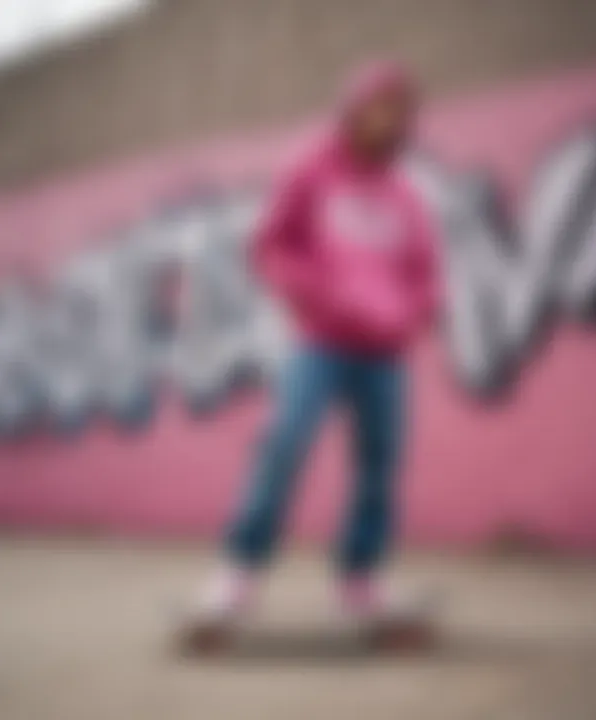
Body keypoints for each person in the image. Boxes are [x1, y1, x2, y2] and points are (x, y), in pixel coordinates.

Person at [181, 60, 441, 651]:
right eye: (381, 105)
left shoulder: (406, 195)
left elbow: (426, 273)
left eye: (401, 110)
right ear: (354, 108)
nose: (391, 118)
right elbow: (271, 244)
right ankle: (238, 576)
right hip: (320, 342)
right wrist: (316, 298)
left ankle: (359, 582)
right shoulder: (310, 170)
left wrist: (411, 315)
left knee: (380, 465)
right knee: (283, 443)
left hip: (385, 352)